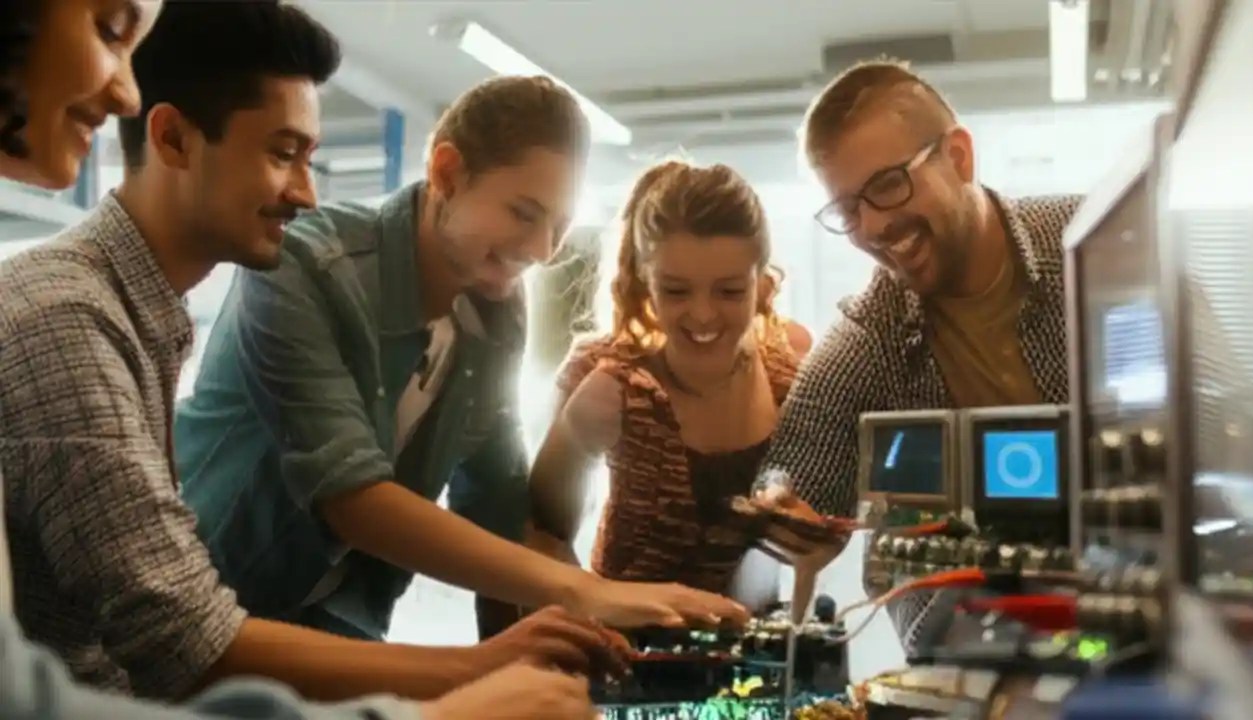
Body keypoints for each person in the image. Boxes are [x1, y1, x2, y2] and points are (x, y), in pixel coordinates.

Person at [0, 1, 609, 715]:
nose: (306, 193)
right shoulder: (68, 318)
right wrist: (476, 674)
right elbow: (184, 643)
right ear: (172, 140)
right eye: (281, 154)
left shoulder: (136, 315)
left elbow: (496, 502)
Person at [171, 70, 748, 641]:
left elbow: (496, 503)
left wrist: (545, 649)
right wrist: (587, 592)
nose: (544, 251)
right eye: (524, 213)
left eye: (559, 225)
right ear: (447, 173)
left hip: (338, 631)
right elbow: (351, 499)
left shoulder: (496, 310)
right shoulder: (304, 266)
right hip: (191, 622)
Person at [757, 60, 1081, 649]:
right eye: (848, 209)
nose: (873, 226)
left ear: (958, 157)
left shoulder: (1089, 246)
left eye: (887, 185)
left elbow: (1223, 412)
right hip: (972, 658)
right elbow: (793, 472)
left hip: (1141, 621)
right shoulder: (871, 333)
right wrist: (785, 504)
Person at [528, 160, 811, 606]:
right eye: (677, 291)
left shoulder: (790, 361)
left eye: (730, 291)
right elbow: (542, 534)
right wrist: (597, 615)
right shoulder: (607, 383)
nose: (702, 314)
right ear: (645, 281)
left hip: (758, 650)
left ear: (762, 283)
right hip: (633, 653)